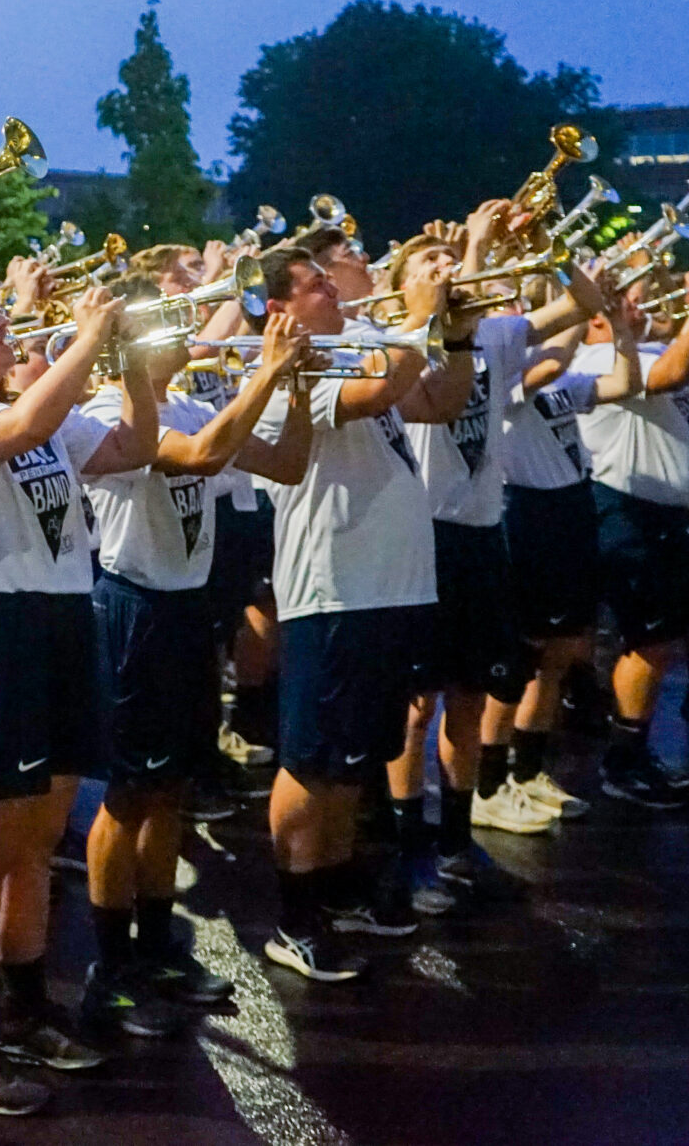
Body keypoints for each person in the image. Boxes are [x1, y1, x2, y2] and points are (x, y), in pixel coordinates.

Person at [0, 278, 157, 1114]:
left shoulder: (30, 405)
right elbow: (25, 424)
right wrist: (88, 336)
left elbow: (134, 447)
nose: (4, 322)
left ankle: (27, 1003)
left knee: (40, 835)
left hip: (58, 620)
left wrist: (136, 361)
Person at [81, 304, 309, 1046]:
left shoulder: (196, 402)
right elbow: (203, 455)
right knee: (127, 794)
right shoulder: (101, 411)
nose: (185, 333)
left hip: (185, 611)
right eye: (164, 323)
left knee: (172, 785)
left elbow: (290, 463)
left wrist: (299, 388)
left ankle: (155, 946)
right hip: (134, 610)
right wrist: (268, 371)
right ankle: (110, 968)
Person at [390, 210, 606, 911]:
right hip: (422, 534)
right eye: (428, 263)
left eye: (449, 259)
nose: (446, 267)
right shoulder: (396, 339)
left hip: (484, 533)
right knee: (414, 706)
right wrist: (471, 254)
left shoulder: (495, 333)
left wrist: (551, 247)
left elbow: (583, 305)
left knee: (469, 698)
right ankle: (408, 846)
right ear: (401, 288)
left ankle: (456, 837)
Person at [251, 247, 443, 983]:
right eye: (314, 283)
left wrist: (449, 334)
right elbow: (376, 390)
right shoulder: (299, 369)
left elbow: (441, 396)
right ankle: (294, 918)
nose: (332, 286)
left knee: (351, 757)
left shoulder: (362, 347)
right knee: (311, 759)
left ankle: (332, 893)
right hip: (333, 587)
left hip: (387, 586)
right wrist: (420, 316)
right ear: (279, 308)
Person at [572, 267, 689, 810]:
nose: (639, 310)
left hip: (669, 517)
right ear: (595, 318)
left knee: (664, 640)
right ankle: (624, 759)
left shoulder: (641, 355)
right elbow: (671, 375)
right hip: (631, 511)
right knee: (647, 642)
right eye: (625, 303)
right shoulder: (597, 359)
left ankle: (634, 751)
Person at [498, 294, 640, 820]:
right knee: (523, 656)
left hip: (571, 503)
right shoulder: (503, 380)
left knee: (561, 651)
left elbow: (624, 384)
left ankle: (530, 770)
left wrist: (623, 332)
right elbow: (553, 358)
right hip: (529, 510)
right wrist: (587, 303)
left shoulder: (558, 380)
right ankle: (496, 778)